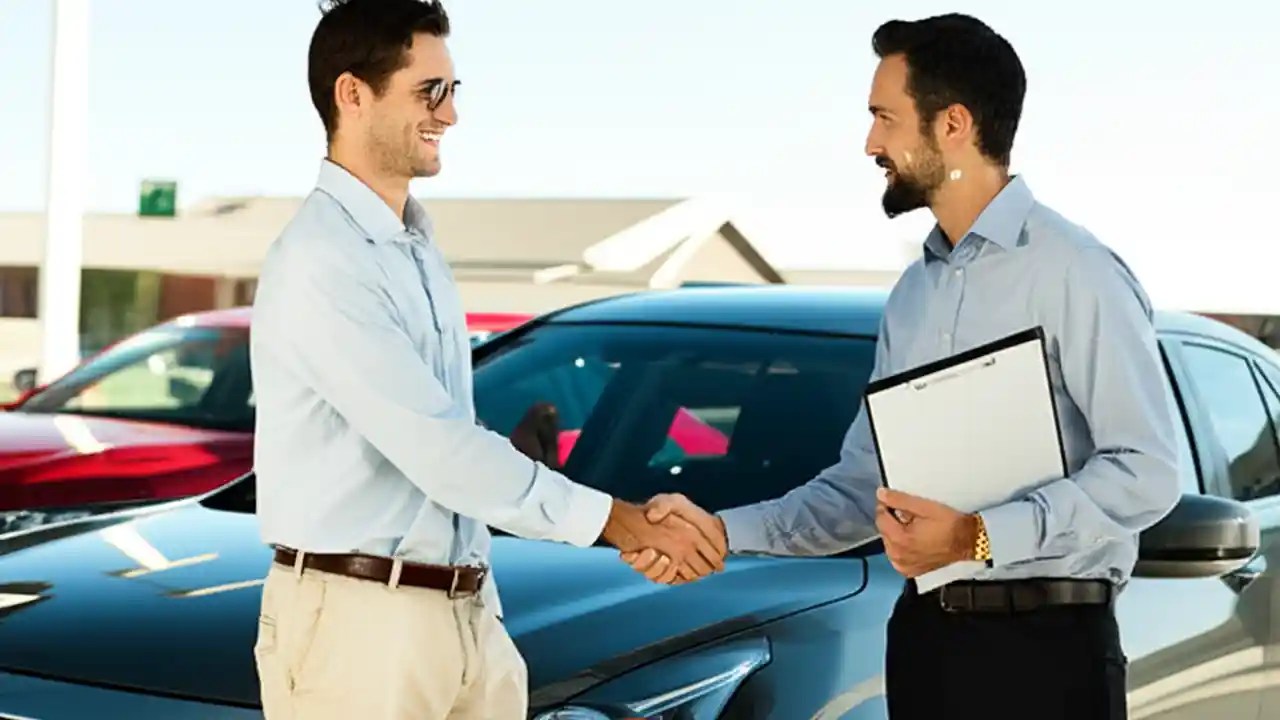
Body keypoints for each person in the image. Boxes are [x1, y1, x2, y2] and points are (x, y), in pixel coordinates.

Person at [623, 13, 1180, 720]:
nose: (871, 144)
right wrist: (720, 530)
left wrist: (977, 536)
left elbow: (1146, 470)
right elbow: (864, 490)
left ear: (953, 124)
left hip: (1048, 655)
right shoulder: (914, 295)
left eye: (885, 118)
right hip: (925, 645)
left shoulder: (1077, 272)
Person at [248, 2, 724, 718]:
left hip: (463, 612)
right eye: (428, 91)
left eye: (452, 91)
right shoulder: (323, 258)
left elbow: (452, 450)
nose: (449, 114)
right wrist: (620, 522)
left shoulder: (415, 247)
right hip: (361, 633)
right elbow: (439, 448)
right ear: (353, 94)